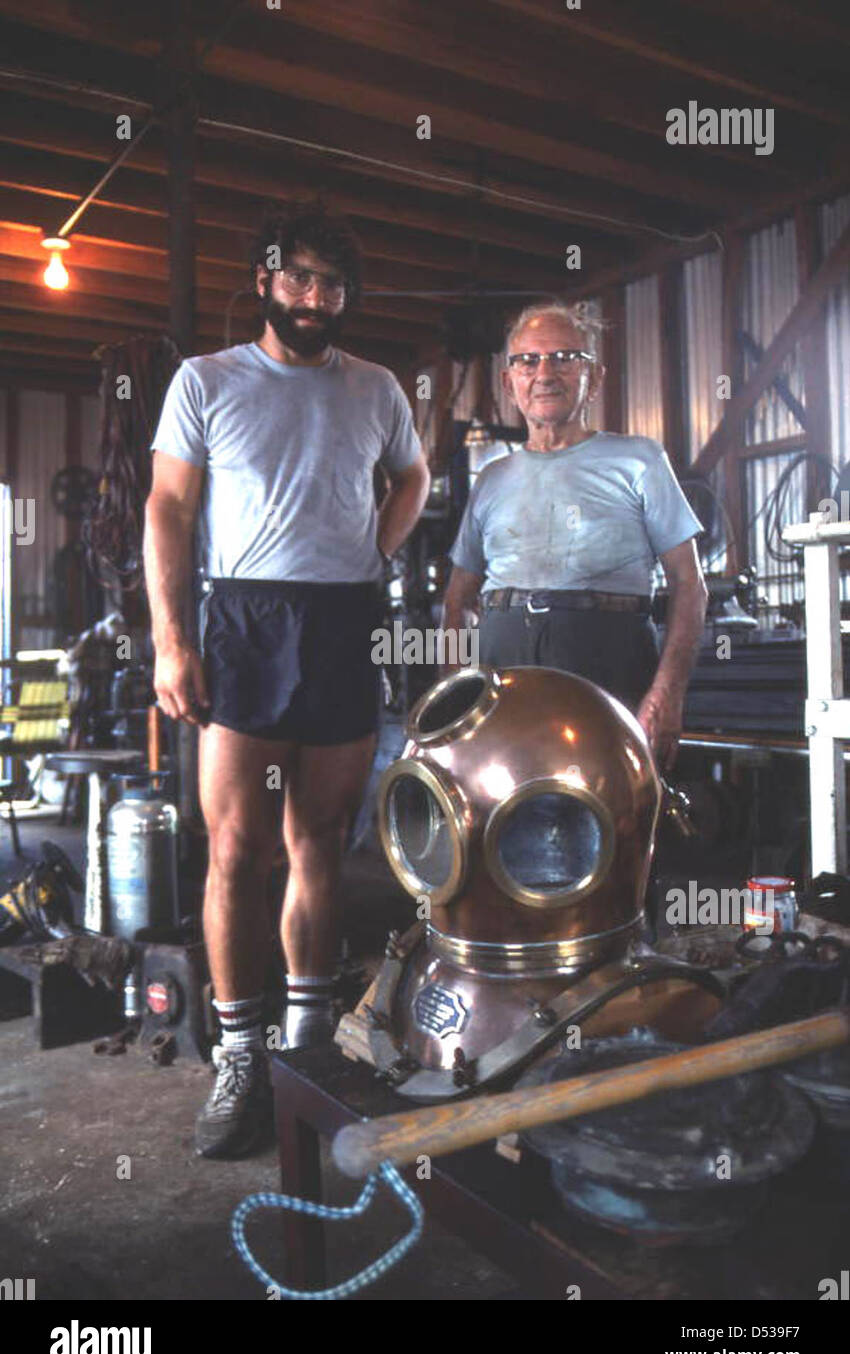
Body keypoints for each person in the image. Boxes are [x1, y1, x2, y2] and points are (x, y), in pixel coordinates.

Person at [144, 202, 430, 1158]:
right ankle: (237, 1058)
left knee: (319, 843)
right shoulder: (206, 380)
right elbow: (169, 510)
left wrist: (374, 551)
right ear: (267, 279)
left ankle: (305, 1052)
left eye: (333, 286)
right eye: (300, 279)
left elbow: (413, 478)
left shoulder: (378, 387)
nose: (316, 299)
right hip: (244, 621)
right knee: (237, 852)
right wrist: (171, 641)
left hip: (345, 619)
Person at [442, 300, 707, 771]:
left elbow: (689, 585)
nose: (545, 372)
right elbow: (458, 600)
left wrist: (667, 694)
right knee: (503, 813)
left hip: (608, 659)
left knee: (607, 812)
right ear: (509, 381)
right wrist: (455, 695)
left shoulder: (639, 460)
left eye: (565, 357)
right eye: (527, 360)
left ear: (595, 377)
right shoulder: (491, 478)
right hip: (504, 667)